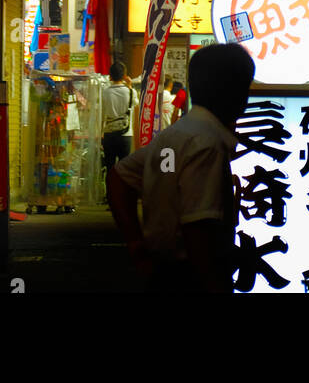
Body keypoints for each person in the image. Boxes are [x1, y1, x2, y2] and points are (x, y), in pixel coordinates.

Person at [107, 43, 255, 293]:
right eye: (245, 87)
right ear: (233, 92)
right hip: (189, 279)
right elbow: (198, 229)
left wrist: (135, 243)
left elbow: (118, 178)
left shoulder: (175, 136)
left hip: (162, 273)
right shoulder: (206, 145)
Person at [101, 61, 136, 182]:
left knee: (109, 166)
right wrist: (130, 85)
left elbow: (102, 112)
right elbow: (134, 104)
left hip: (109, 133)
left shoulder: (105, 92)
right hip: (125, 134)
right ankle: (123, 194)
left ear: (110, 76)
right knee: (124, 167)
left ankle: (110, 194)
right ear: (125, 76)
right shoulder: (131, 92)